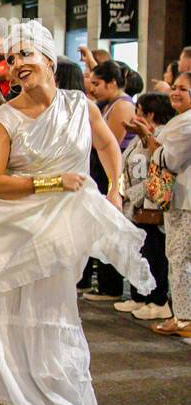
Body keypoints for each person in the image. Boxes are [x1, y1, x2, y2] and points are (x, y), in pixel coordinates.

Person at [0, 20, 152, 405]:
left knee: (51, 319)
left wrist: (115, 188)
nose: (18, 63)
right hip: (4, 233)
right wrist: (52, 182)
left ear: (48, 59)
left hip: (56, 237)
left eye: (27, 54)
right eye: (13, 57)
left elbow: (107, 147)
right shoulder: (2, 119)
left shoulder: (80, 105)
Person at [117, 93, 177, 321]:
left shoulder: (160, 135)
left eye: (139, 110)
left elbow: (156, 167)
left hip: (151, 202)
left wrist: (133, 195)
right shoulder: (139, 135)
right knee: (141, 249)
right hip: (136, 201)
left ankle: (158, 299)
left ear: (149, 113)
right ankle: (140, 296)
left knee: (155, 252)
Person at [82, 59, 137, 302]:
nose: (91, 88)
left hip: (110, 176)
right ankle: (105, 283)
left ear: (112, 83)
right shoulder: (110, 104)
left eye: (96, 83)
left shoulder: (122, 106)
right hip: (101, 173)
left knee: (109, 228)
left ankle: (110, 285)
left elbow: (108, 143)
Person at [142, 72, 191, 337]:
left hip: (185, 201)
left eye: (182, 89)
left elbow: (167, 158)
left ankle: (184, 318)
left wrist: (152, 142)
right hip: (183, 199)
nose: (175, 92)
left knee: (179, 257)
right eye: (174, 87)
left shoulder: (185, 123)